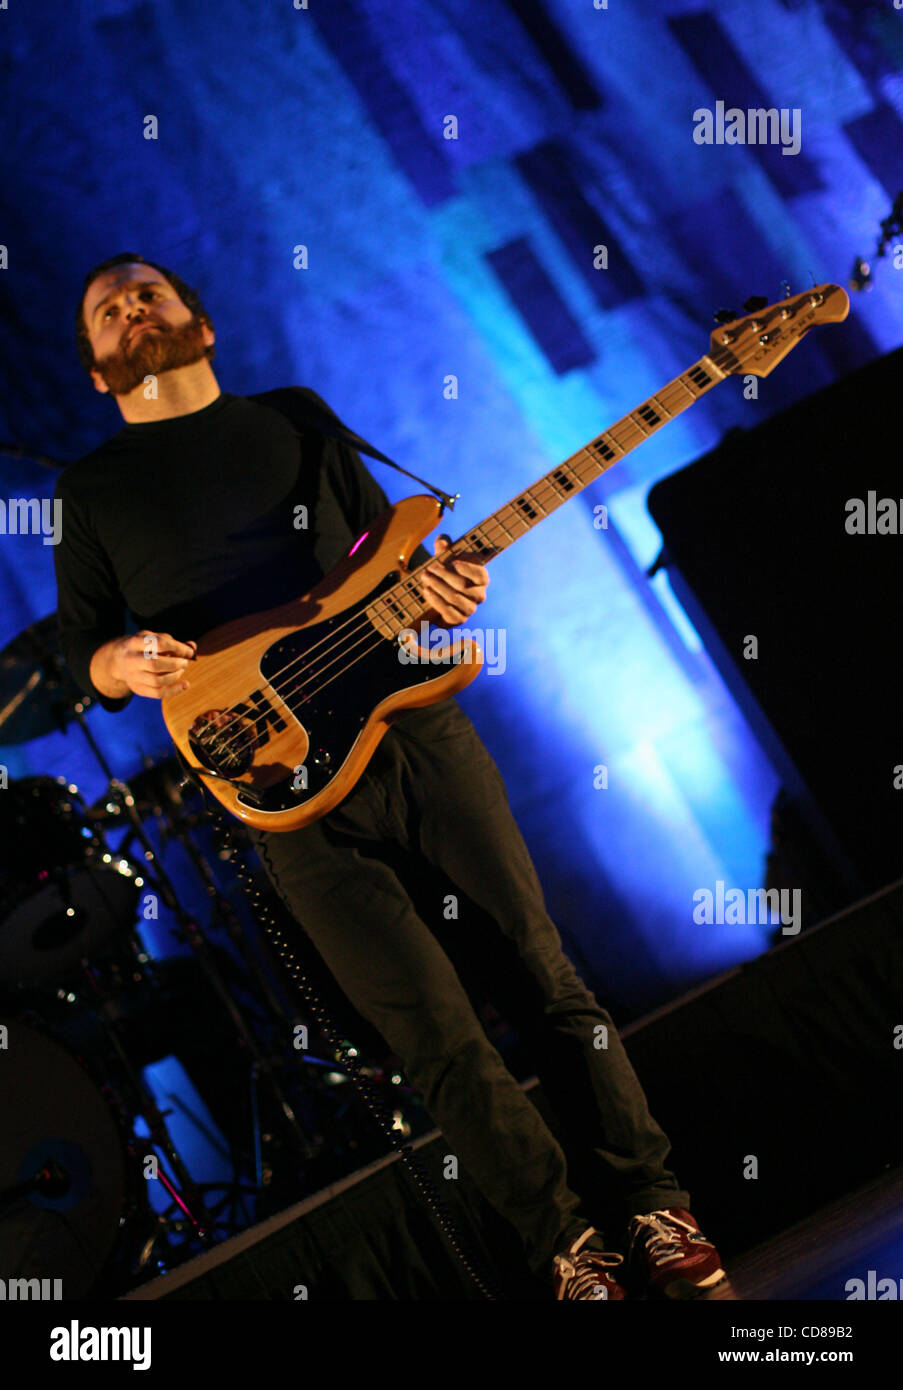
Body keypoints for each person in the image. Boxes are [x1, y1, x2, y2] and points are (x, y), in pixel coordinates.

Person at [55, 252, 726, 1301]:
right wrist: (118, 663)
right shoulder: (92, 490)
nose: (132, 306)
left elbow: (389, 557)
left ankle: (655, 1207)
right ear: (98, 371)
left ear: (202, 321)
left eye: (149, 291)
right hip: (277, 789)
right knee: (434, 1035)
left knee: (540, 973)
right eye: (107, 309)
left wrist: (440, 587)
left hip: (410, 730)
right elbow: (79, 653)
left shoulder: (297, 417)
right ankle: (568, 1250)